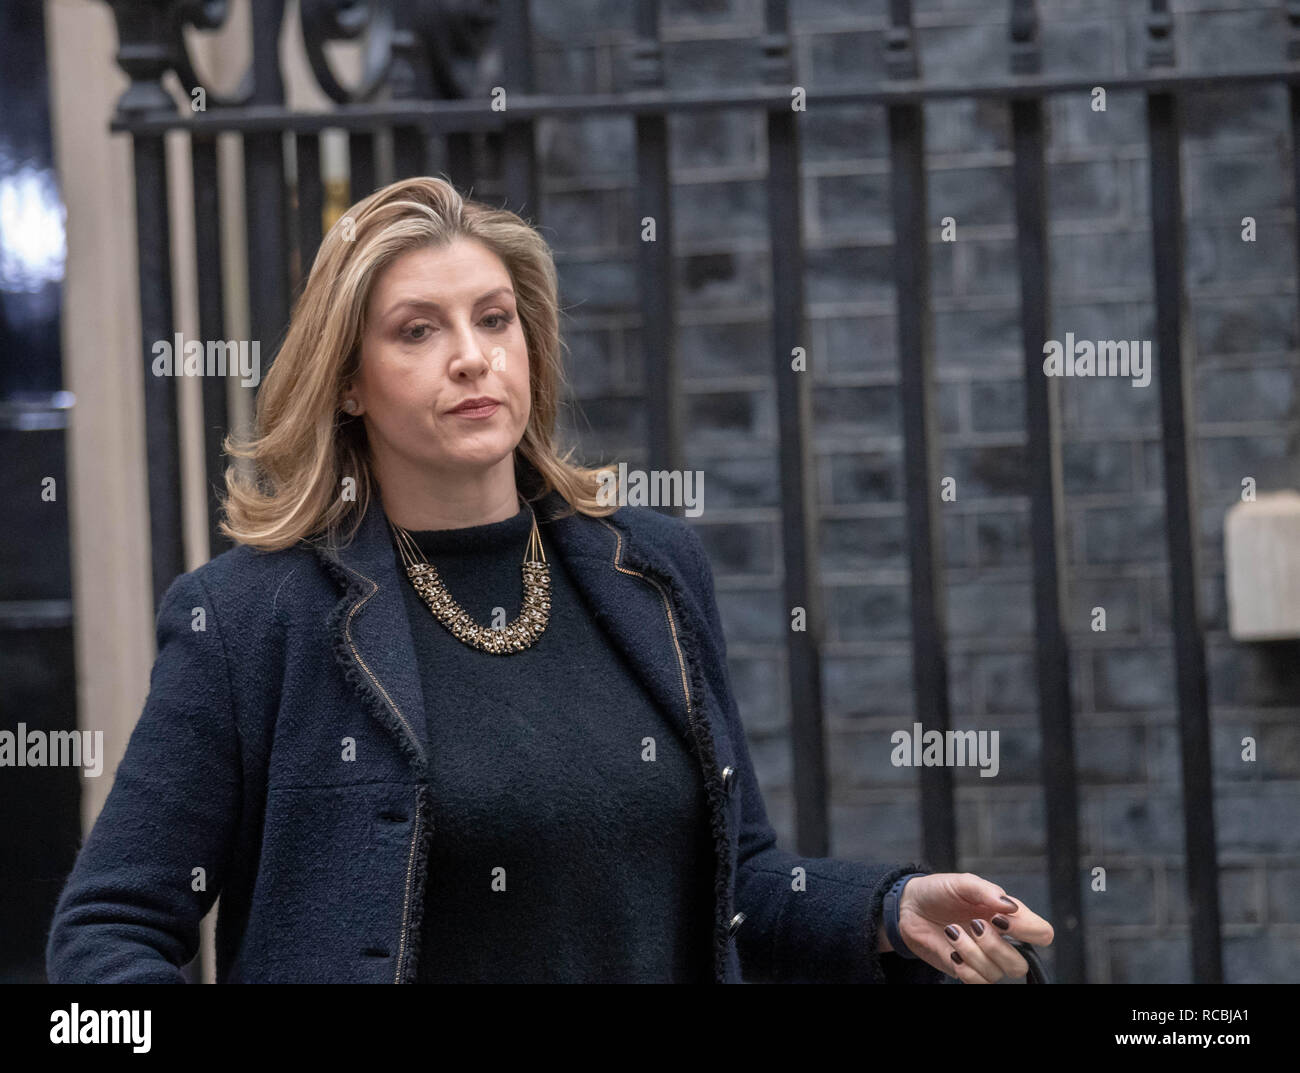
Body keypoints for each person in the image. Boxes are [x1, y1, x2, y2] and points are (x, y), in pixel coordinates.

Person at [45, 175, 1053, 984]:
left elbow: (737, 879)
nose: (471, 358)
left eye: (494, 319)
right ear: (348, 381)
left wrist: (888, 907)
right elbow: (107, 928)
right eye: (417, 330)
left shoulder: (648, 569)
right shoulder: (250, 615)